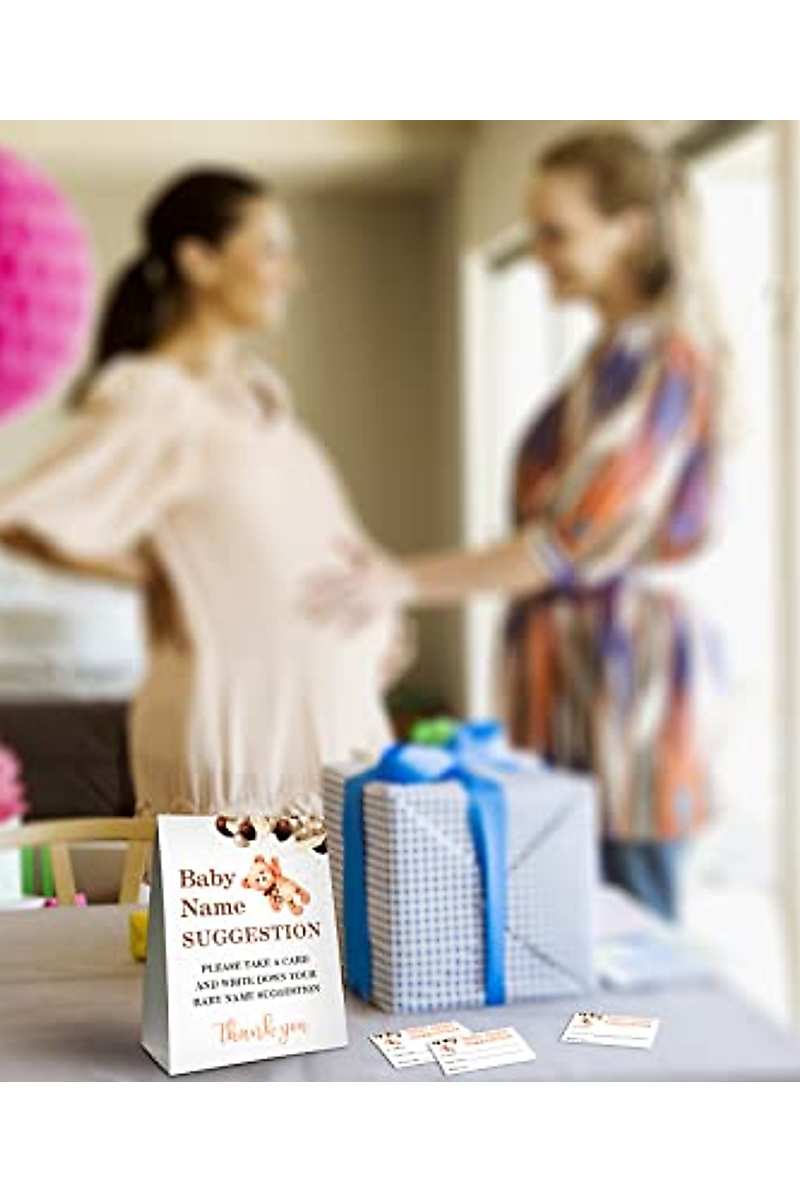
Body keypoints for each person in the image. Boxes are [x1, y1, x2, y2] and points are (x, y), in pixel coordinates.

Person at [304, 131, 728, 921]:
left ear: (629, 230)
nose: (539, 253)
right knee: (569, 932)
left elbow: (564, 546)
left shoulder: (660, 364)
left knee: (626, 938)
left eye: (556, 232)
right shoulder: (608, 362)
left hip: (621, 696)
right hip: (571, 686)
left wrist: (399, 583)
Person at [0, 168, 404, 828]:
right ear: (199, 261)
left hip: (335, 721)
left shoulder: (261, 392)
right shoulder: (154, 396)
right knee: (254, 899)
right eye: (270, 249)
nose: (291, 273)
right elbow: (18, 518)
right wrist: (154, 574)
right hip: (245, 732)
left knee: (350, 894)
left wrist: (381, 616)